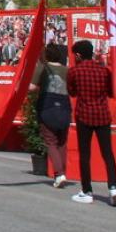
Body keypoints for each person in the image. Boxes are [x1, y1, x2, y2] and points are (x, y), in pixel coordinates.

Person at [67, 39, 116, 207]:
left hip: (84, 115)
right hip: (103, 114)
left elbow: (72, 92)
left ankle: (87, 190)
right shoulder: (104, 71)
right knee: (108, 153)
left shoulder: (74, 71)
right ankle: (113, 188)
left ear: (78, 55)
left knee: (85, 154)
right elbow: (112, 92)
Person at [31, 43, 72, 188]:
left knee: (51, 141)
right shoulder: (67, 70)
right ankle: (62, 173)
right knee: (62, 142)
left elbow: (32, 87)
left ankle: (59, 173)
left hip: (47, 106)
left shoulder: (43, 68)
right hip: (65, 107)